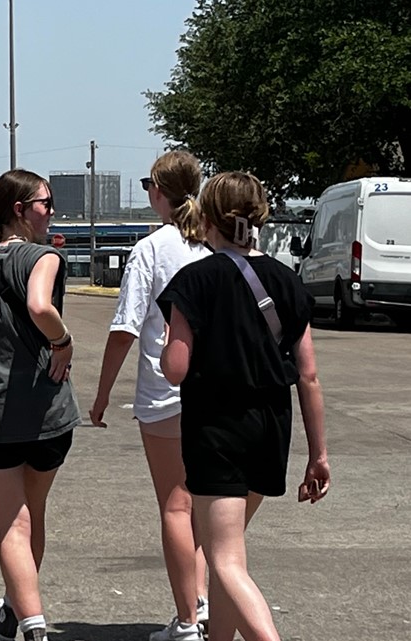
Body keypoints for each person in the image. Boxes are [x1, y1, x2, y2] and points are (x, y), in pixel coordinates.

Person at [158, 171, 330, 641]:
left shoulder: (195, 279)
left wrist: (168, 344)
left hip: (217, 427)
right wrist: (318, 454)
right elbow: (308, 375)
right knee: (229, 550)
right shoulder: (288, 281)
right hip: (271, 426)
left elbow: (175, 368)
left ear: (207, 218)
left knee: (224, 560)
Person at [0, 170, 79, 641]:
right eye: (46, 204)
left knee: (13, 524)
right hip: (47, 410)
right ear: (20, 210)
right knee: (31, 517)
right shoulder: (44, 256)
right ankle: (27, 621)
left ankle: (20, 617)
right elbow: (40, 306)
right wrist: (62, 342)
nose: (52, 212)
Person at [89, 151, 212, 641]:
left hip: (165, 391)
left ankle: (186, 620)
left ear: (158, 191)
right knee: (204, 505)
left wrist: (102, 395)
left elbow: (126, 329)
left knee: (175, 505)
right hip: (216, 389)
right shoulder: (214, 244)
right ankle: (201, 600)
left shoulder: (151, 249)